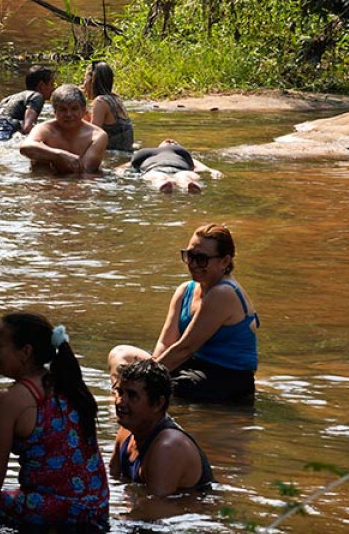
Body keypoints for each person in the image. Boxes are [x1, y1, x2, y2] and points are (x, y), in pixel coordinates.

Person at [0, 313, 108, 527]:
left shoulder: (10, 400)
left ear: (25, 352)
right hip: (96, 507)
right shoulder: (69, 384)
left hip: (56, 511)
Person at [108, 223, 260, 403]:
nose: (193, 264)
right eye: (190, 256)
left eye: (201, 259)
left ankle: (132, 404)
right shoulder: (185, 290)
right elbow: (166, 343)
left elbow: (185, 348)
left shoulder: (223, 293)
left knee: (171, 389)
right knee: (120, 354)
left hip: (227, 377)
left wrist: (146, 381)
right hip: (189, 365)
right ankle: (121, 401)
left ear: (225, 261)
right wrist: (149, 371)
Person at [111, 359, 214, 495]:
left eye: (132, 395)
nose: (120, 401)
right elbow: (112, 481)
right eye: (119, 392)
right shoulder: (126, 432)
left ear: (158, 403)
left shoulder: (168, 447)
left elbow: (157, 506)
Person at [19, 84, 108, 175]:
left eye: (74, 109)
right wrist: (58, 155)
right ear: (55, 112)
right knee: (39, 163)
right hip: (44, 179)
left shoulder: (97, 136)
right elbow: (25, 147)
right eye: (62, 109)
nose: (68, 114)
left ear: (83, 110)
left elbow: (84, 171)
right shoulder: (44, 129)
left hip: (77, 180)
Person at [0, 66, 54, 140]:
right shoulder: (37, 96)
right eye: (51, 84)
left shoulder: (11, 97)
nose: (53, 89)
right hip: (1, 128)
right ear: (41, 85)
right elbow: (27, 128)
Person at [118, 139, 224, 194]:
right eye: (167, 140)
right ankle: (164, 185)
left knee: (184, 177)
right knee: (158, 177)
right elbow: (128, 165)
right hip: (155, 169)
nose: (170, 141)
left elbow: (198, 165)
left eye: (174, 142)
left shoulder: (180, 154)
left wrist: (212, 170)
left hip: (180, 170)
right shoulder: (148, 152)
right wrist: (120, 170)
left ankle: (188, 185)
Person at [82, 61, 134, 152]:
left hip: (113, 155)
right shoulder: (115, 99)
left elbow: (92, 136)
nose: (83, 85)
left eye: (84, 80)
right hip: (126, 152)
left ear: (92, 80)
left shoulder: (100, 102)